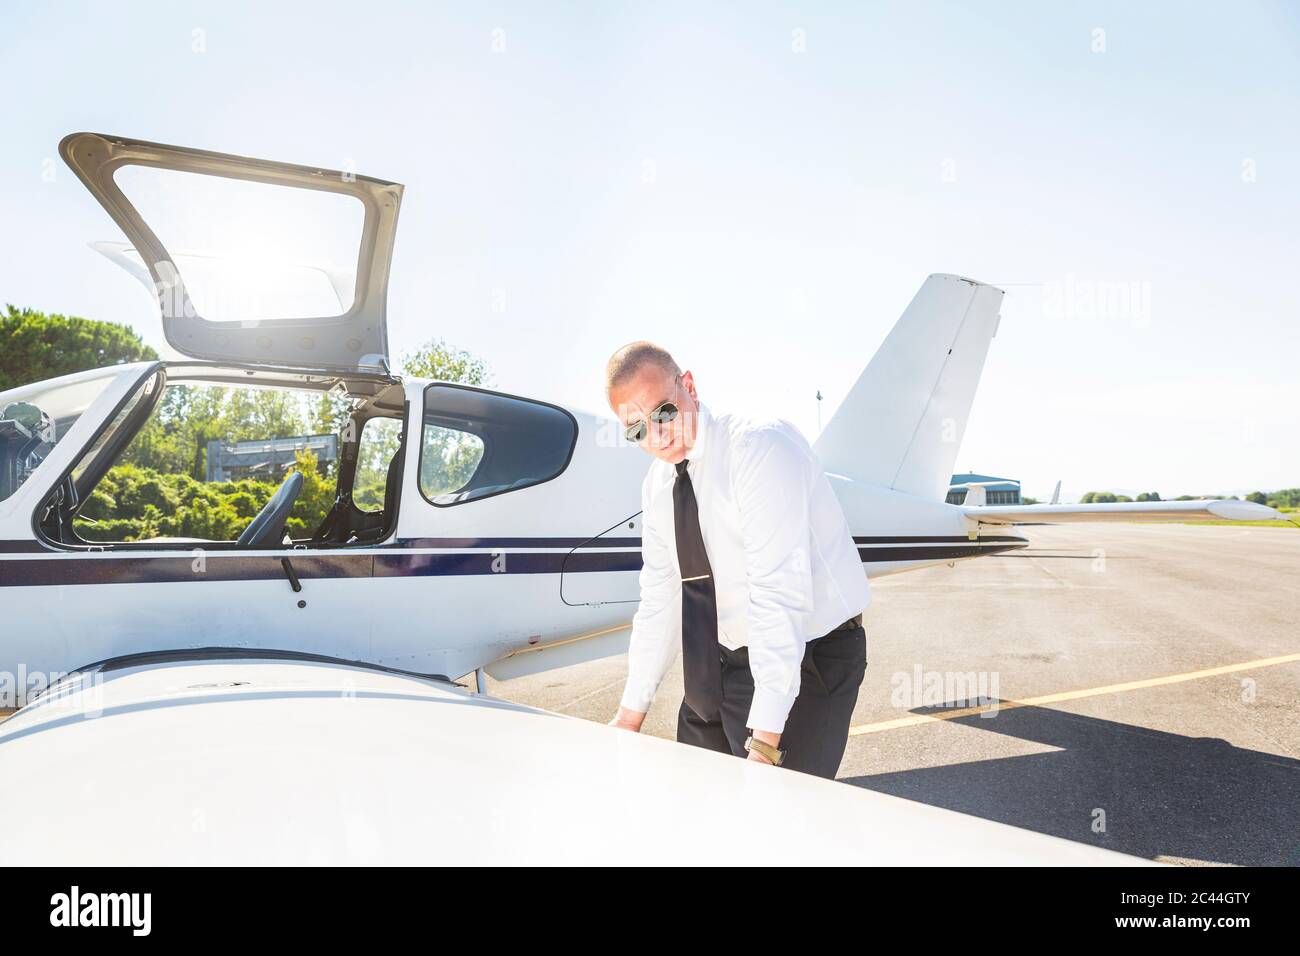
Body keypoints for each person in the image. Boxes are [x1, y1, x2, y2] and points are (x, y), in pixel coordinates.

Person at [604, 341, 871, 779]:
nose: (655, 436)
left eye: (663, 414)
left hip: (811, 653)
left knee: (780, 820)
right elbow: (660, 601)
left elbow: (777, 592)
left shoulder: (759, 448)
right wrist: (630, 715)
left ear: (688, 385)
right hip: (723, 661)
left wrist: (764, 743)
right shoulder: (657, 486)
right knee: (699, 805)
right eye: (636, 431)